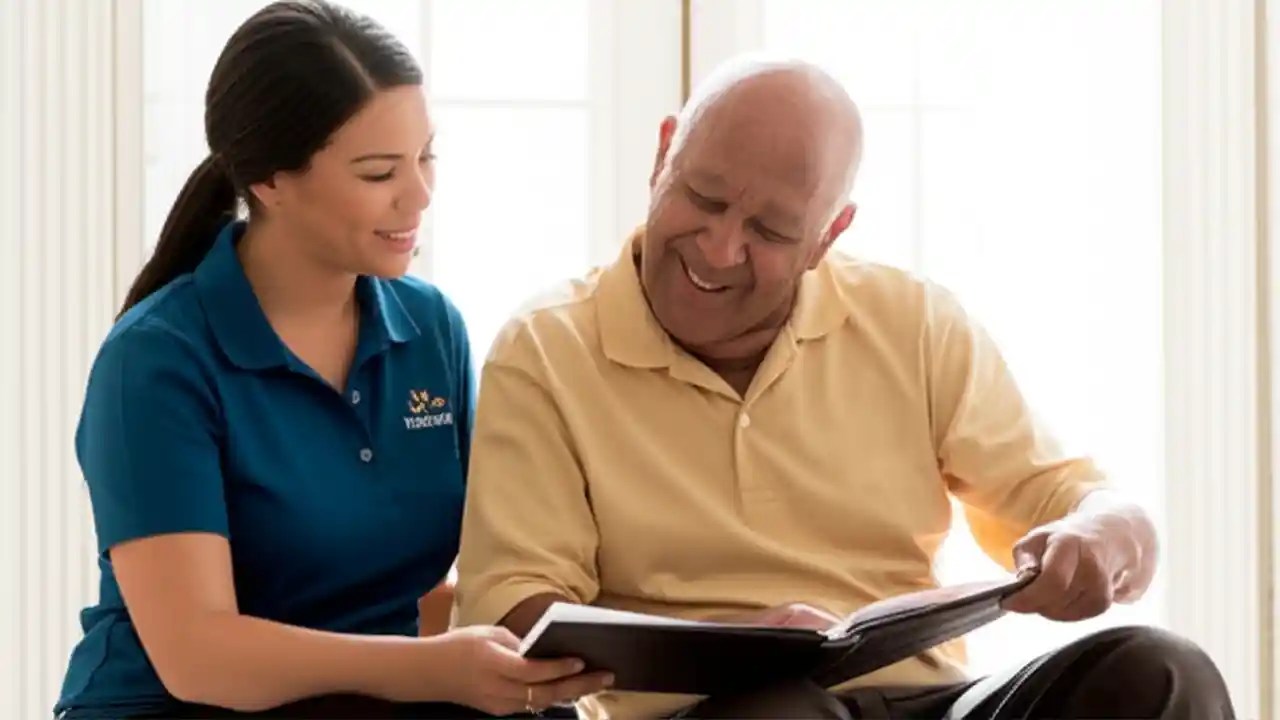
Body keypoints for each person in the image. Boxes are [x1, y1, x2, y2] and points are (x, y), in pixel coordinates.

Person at [453, 55, 1236, 719]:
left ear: (830, 234)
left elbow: (1068, 497)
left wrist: (1111, 532)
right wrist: (746, 649)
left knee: (1162, 671)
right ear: (664, 154)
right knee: (787, 709)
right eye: (704, 198)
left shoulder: (913, 322)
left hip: (929, 700)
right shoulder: (547, 347)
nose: (720, 249)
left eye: (770, 232)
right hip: (719, 713)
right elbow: (515, 616)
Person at [53, 2, 610, 718]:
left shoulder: (431, 329)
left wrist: (613, 638)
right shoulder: (155, 362)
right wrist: (433, 670)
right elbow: (199, 656)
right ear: (270, 180)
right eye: (380, 173)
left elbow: (440, 594)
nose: (420, 195)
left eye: (426, 157)